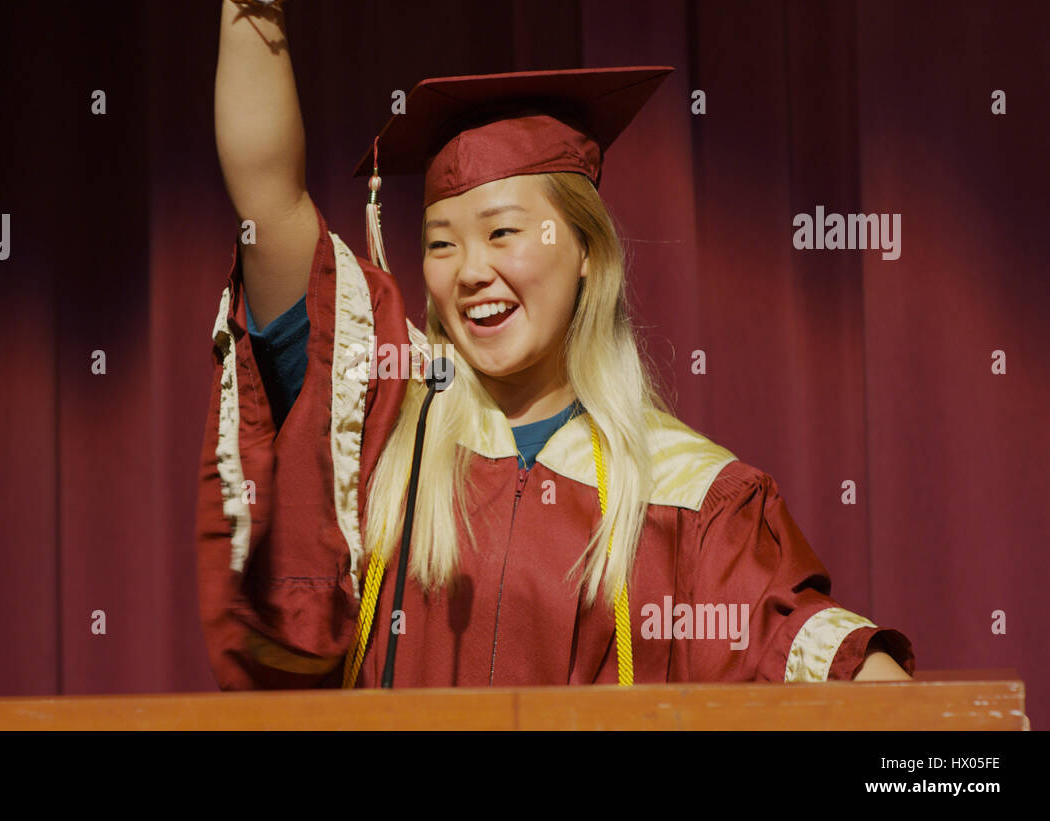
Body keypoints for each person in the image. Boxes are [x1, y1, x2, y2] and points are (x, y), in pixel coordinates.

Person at [197, 0, 915, 689]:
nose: (472, 270)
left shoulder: (687, 499)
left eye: (502, 232)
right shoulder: (382, 425)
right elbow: (269, 201)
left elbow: (813, 656)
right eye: (441, 243)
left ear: (586, 254)